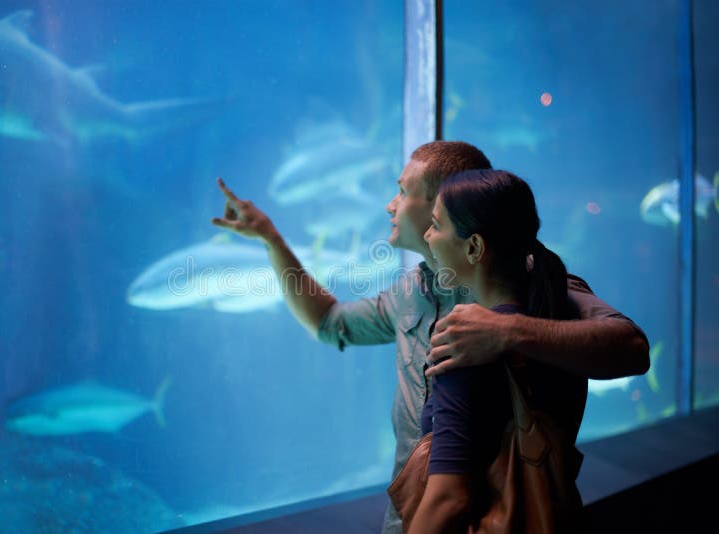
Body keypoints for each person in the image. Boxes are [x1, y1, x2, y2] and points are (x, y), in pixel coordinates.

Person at [211, 140, 649, 534]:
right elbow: (330, 323)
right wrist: (271, 240)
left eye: (403, 191)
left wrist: (509, 330)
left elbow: (631, 348)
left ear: (444, 202)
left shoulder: (539, 286)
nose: (390, 205)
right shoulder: (410, 292)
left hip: (511, 517)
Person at [409, 168, 588, 533]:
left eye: (436, 225)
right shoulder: (561, 325)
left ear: (474, 247)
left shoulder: (465, 346)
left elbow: (450, 499)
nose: (427, 237)